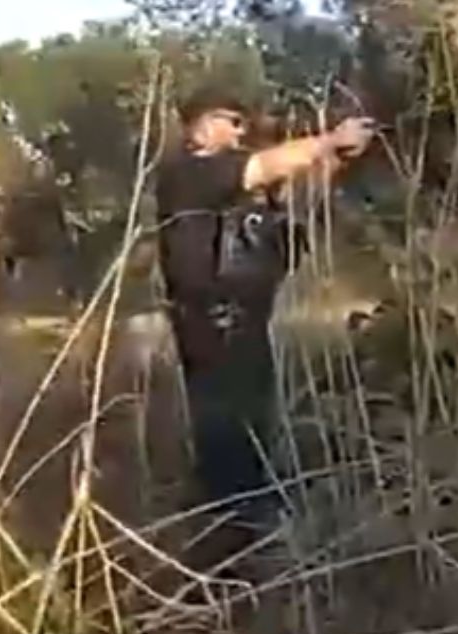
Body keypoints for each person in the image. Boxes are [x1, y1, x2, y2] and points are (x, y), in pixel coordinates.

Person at [155, 85, 377, 556]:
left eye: (241, 121)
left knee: (251, 435)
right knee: (228, 441)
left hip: (246, 326)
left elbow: (295, 199)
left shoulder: (230, 189)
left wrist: (336, 160)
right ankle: (223, 555)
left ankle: (244, 539)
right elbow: (266, 166)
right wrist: (331, 139)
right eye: (227, 119)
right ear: (196, 127)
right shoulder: (190, 172)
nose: (239, 130)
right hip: (213, 329)